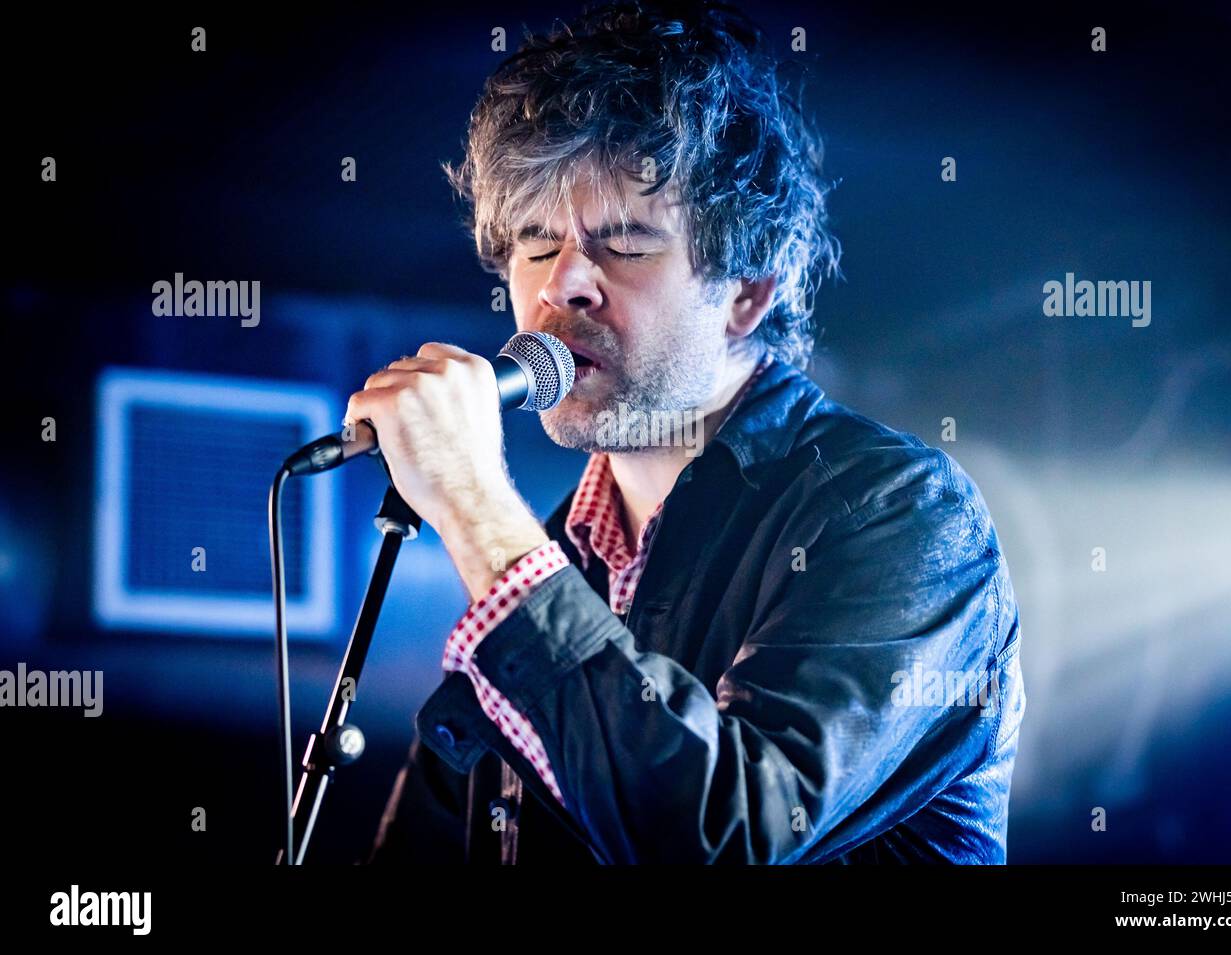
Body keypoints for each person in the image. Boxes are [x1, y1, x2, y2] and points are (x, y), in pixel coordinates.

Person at [355, 0, 1025, 864]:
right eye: (534, 242)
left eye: (624, 244)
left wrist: (476, 509)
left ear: (747, 290)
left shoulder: (901, 519)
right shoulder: (553, 557)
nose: (565, 285)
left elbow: (725, 832)